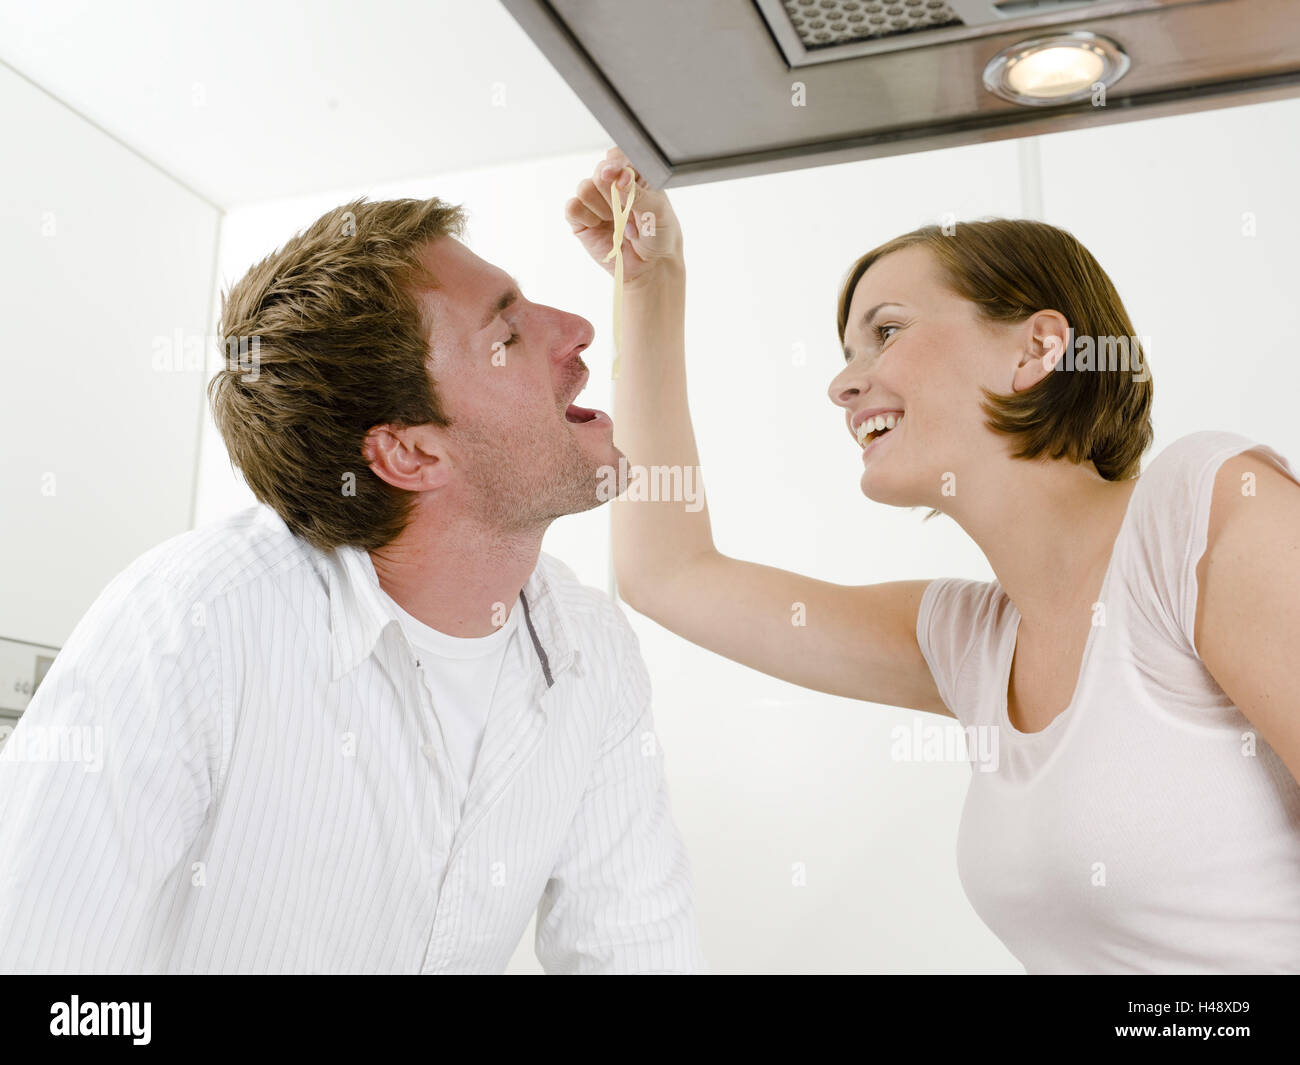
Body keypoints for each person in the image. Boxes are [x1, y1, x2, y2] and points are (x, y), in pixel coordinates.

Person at [566, 147, 1300, 974]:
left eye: (886, 331)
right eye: (848, 351)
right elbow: (670, 576)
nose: (843, 384)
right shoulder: (972, 641)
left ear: (1037, 349)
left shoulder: (1205, 513)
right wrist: (650, 286)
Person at [0, 196, 705, 975]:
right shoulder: (191, 624)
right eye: (507, 335)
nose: (575, 328)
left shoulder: (590, 649)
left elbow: (638, 953)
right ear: (410, 453)